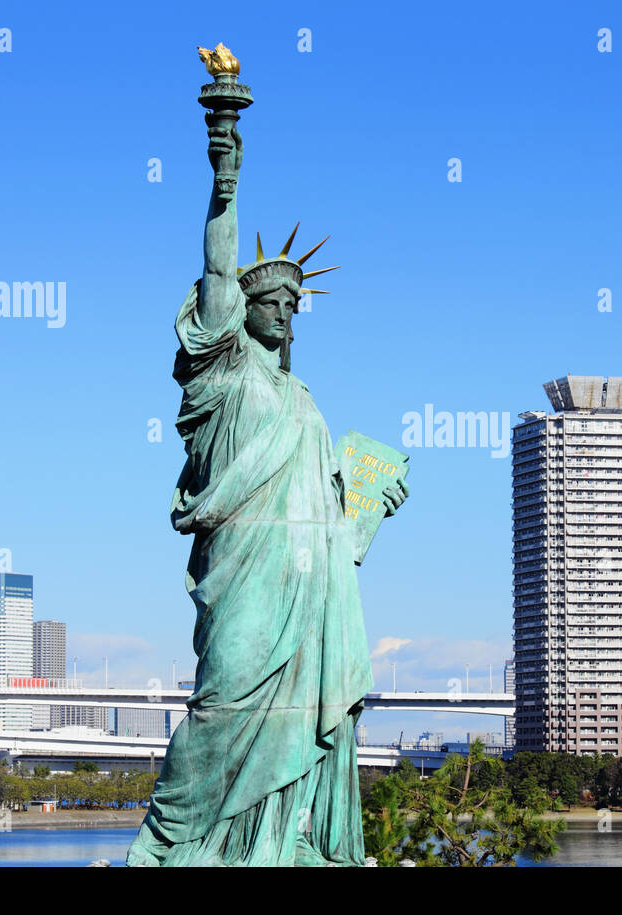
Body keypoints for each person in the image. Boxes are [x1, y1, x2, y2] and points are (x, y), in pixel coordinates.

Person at [126, 113, 407, 866]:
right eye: (271, 300)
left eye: (292, 303)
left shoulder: (306, 400)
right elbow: (219, 270)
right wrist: (226, 176)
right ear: (241, 312)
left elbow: (327, 518)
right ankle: (177, 842)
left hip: (308, 583)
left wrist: (369, 508)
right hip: (244, 568)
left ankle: (286, 845)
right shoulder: (223, 369)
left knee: (303, 716)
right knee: (222, 705)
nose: (284, 310)